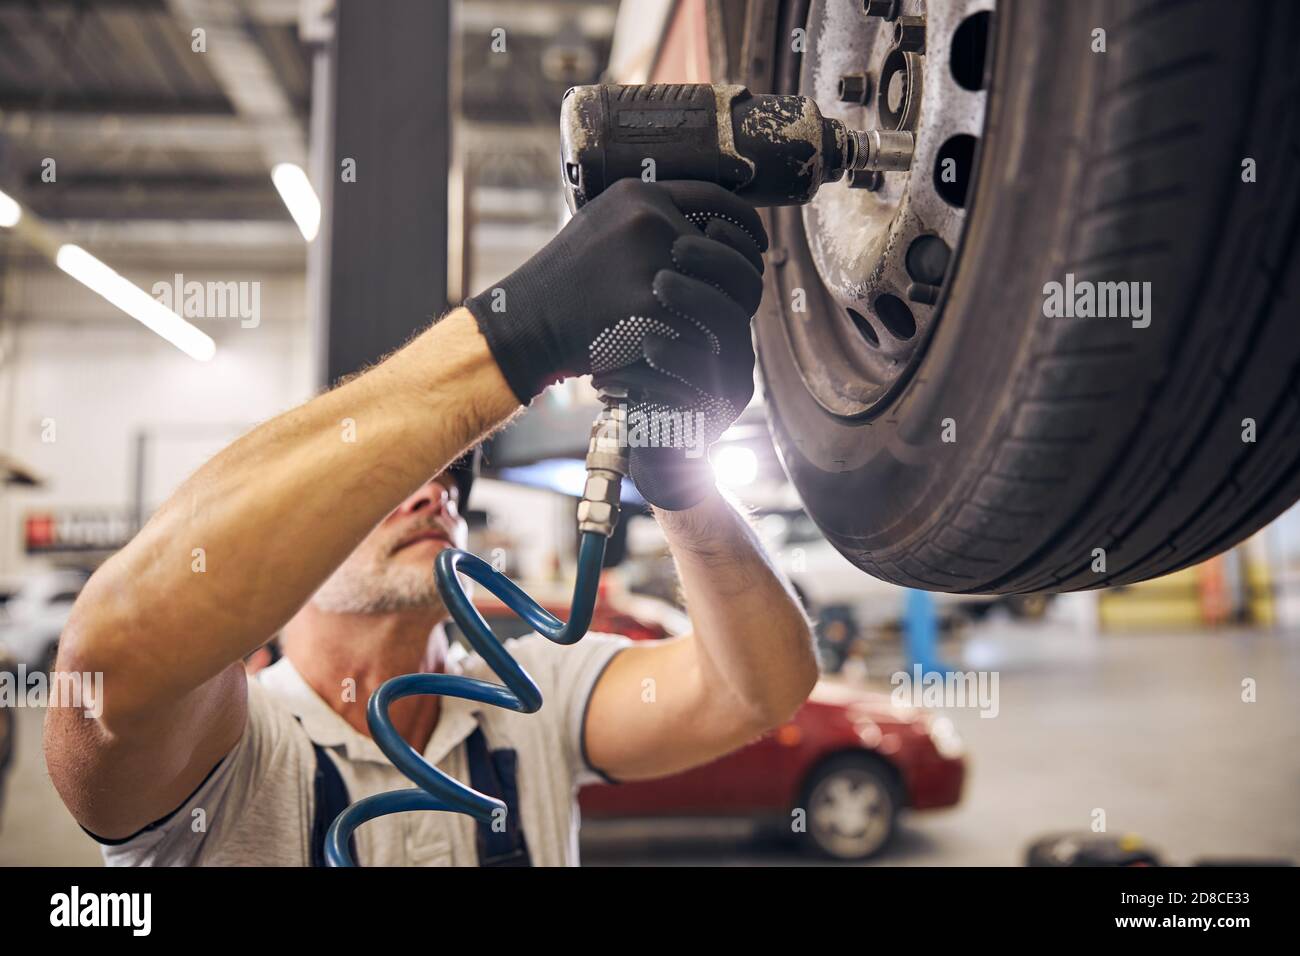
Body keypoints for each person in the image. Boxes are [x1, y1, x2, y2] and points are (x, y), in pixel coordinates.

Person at [44, 180, 818, 866]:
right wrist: (522, 331)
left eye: (448, 479)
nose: (434, 496)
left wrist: (685, 490)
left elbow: (760, 689)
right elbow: (110, 670)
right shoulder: (240, 749)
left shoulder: (527, 701)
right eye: (386, 488)